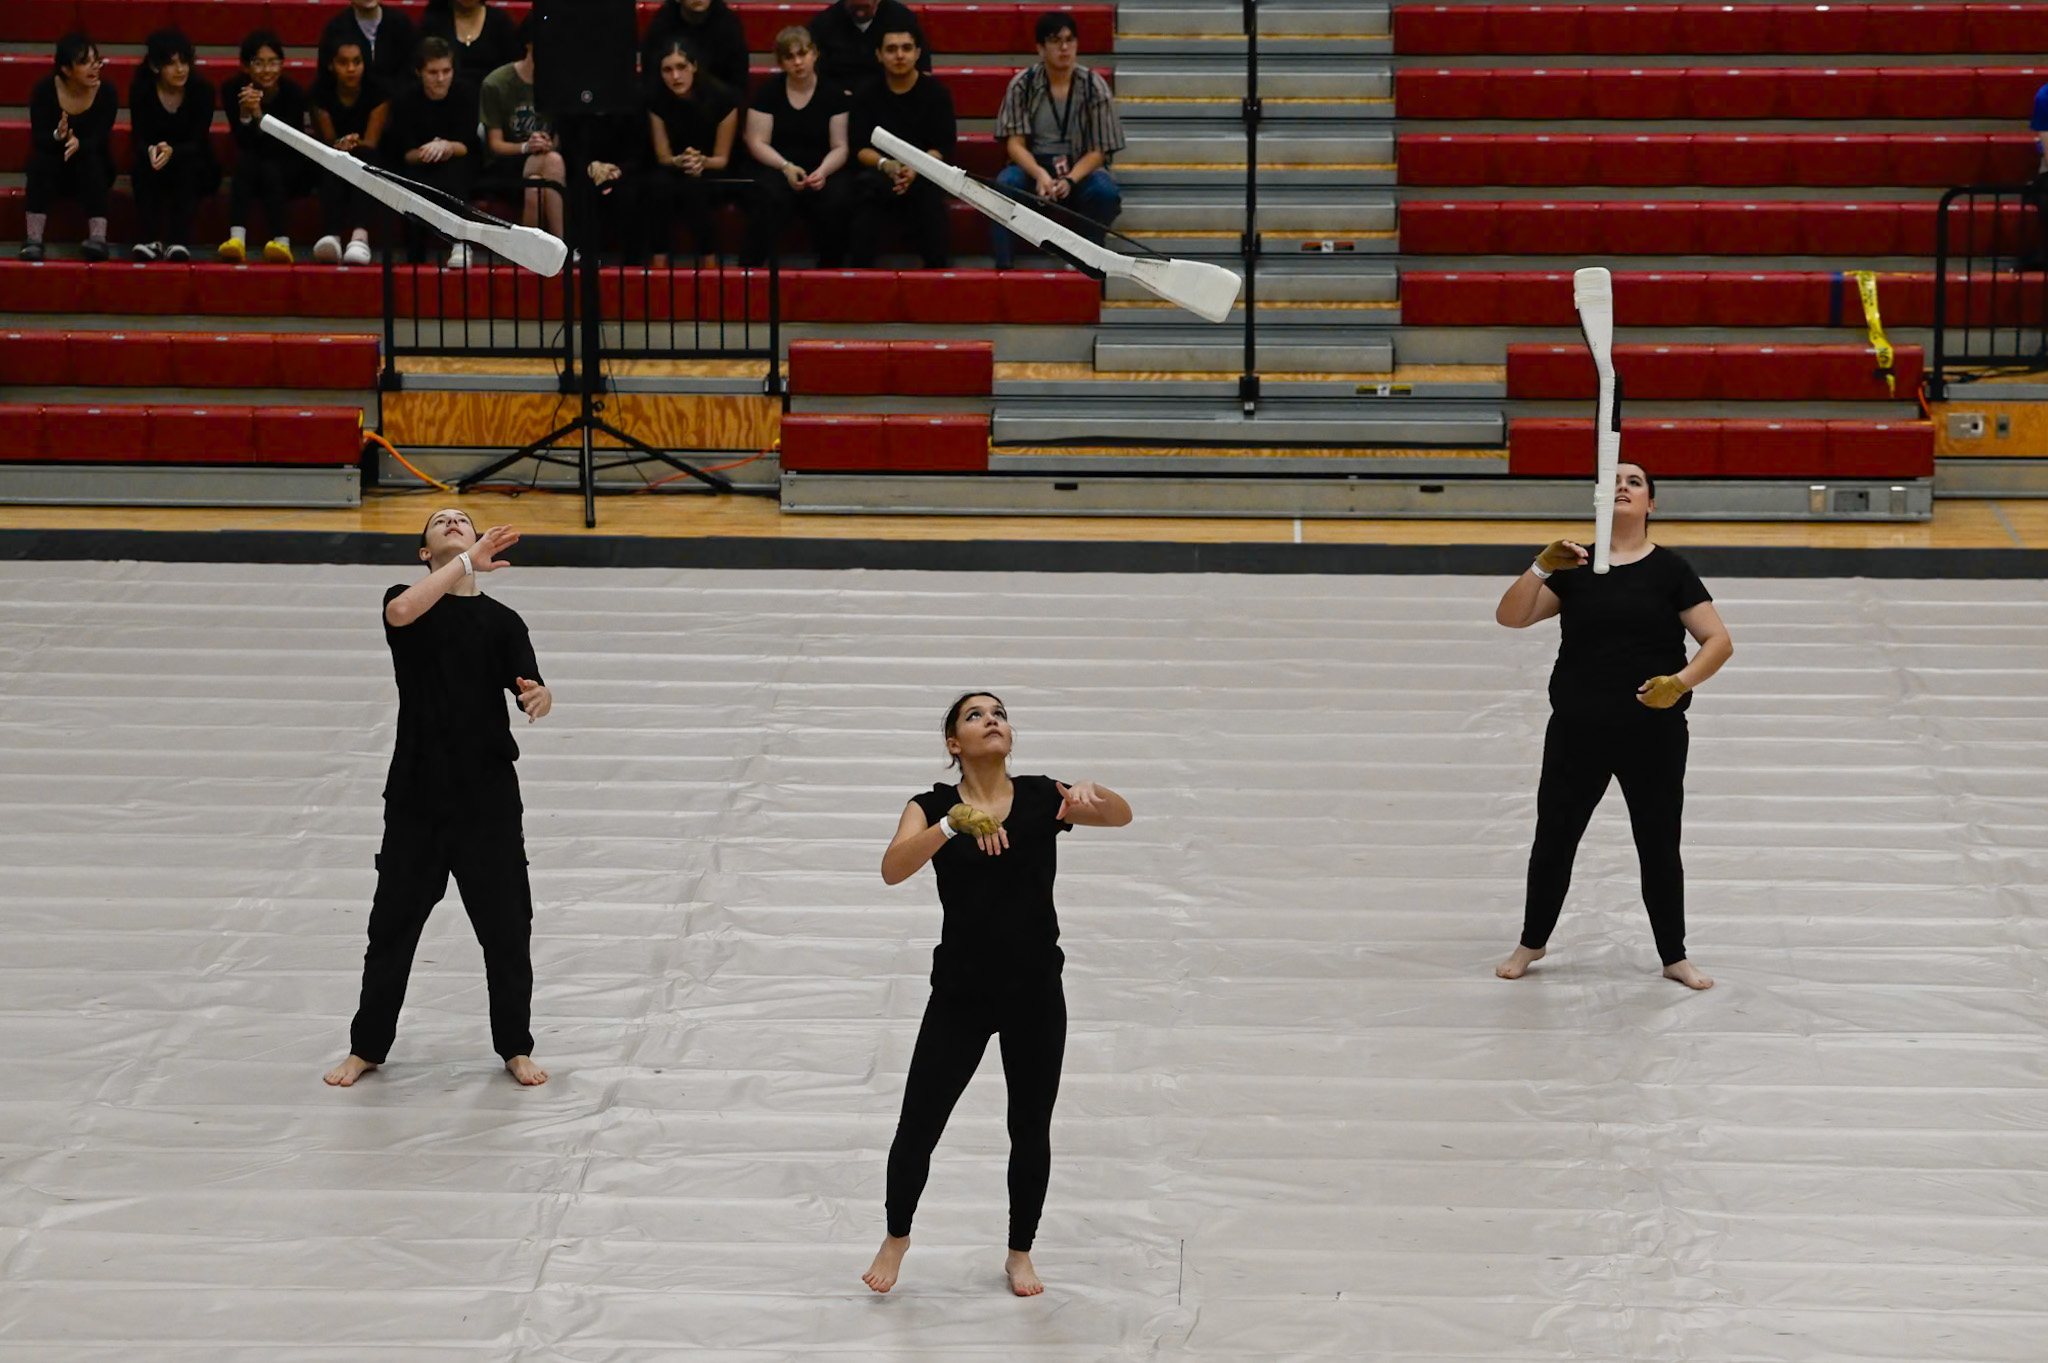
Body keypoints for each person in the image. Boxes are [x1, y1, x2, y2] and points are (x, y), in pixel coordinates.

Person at [863, 692, 1132, 1299]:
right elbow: (893, 868)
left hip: (1035, 991)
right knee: (918, 1125)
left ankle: (1019, 1252)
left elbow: (1119, 817)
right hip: (961, 992)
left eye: (1000, 713)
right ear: (954, 744)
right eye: (976, 716)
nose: (993, 721)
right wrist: (948, 825)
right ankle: (897, 1236)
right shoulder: (930, 804)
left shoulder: (1041, 795)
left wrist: (1094, 790)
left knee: (1029, 1128)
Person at [324, 509, 553, 1091]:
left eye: (462, 519)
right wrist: (461, 566)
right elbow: (401, 614)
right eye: (440, 521)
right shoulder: (405, 599)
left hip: (488, 801)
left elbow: (529, 680)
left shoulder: (503, 621)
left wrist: (539, 695)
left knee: (507, 928)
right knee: (392, 929)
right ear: (424, 552)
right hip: (417, 799)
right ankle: (366, 1047)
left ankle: (514, 1046)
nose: (452, 521)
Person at [1492, 462, 1733, 991]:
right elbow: (1510, 618)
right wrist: (1538, 567)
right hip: (1577, 731)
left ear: (1651, 504)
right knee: (1553, 839)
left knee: (1658, 842)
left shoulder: (1672, 571)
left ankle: (1674, 954)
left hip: (1652, 734)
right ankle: (1532, 941)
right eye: (1613, 482)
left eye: (1635, 482)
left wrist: (1681, 682)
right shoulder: (1574, 567)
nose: (1622, 487)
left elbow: (1718, 642)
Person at [990, 11, 1123, 270]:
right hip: (1034, 167)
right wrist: (1040, 174)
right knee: (1004, 185)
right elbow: (1014, 145)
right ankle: (1004, 268)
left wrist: (1071, 180)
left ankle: (1088, 261)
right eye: (1055, 40)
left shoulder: (1094, 85)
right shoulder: (1023, 84)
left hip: (1079, 169)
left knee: (1105, 191)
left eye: (1070, 40)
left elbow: (1099, 151)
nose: (1064, 47)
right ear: (1040, 48)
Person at [847, 22, 955, 268]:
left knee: (931, 206)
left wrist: (914, 169)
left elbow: (943, 146)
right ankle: (860, 280)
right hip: (878, 173)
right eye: (891, 49)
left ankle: (938, 280)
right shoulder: (865, 93)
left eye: (906, 48)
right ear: (879, 55)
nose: (899, 55)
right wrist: (887, 166)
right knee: (862, 204)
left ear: (917, 53)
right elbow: (859, 147)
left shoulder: (937, 93)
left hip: (924, 174)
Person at [741, 26, 851, 267]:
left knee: (837, 199)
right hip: (778, 165)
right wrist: (785, 166)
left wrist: (823, 172)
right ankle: (751, 269)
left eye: (803, 54)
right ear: (781, 62)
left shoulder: (833, 94)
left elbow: (840, 146)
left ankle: (831, 270)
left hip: (822, 167)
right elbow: (756, 141)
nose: (798, 62)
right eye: (790, 57)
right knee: (768, 195)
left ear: (815, 54)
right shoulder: (767, 92)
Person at [378, 36, 481, 266]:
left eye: (446, 71)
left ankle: (460, 244)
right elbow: (404, 152)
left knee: (454, 174)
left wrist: (446, 146)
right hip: (417, 162)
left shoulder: (466, 93)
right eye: (433, 73)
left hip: (458, 160)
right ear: (419, 72)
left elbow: (467, 144)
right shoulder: (405, 99)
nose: (441, 79)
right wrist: (429, 151)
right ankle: (415, 258)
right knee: (413, 184)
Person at [20, 33, 118, 262]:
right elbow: (39, 137)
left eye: (96, 61)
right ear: (65, 69)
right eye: (84, 62)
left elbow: (101, 137)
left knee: (91, 160)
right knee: (40, 162)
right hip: (55, 166)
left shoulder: (107, 92)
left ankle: (98, 239)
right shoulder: (44, 90)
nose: (94, 68)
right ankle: (33, 239)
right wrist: (58, 135)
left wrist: (80, 143)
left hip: (92, 166)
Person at [127, 28, 219, 264]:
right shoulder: (141, 91)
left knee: (188, 168)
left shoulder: (203, 91)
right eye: (172, 64)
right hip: (156, 159)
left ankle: (179, 241)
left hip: (194, 159)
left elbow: (198, 140)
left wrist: (173, 151)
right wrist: (152, 150)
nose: (181, 70)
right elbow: (139, 137)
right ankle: (149, 240)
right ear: (156, 67)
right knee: (143, 168)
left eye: (185, 62)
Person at [645, 39, 739, 267]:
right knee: (659, 186)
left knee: (694, 187)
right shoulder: (655, 101)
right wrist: (681, 161)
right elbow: (663, 157)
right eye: (667, 70)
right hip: (674, 167)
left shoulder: (723, 98)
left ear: (694, 67)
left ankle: (710, 260)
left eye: (681, 67)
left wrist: (700, 161)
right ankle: (658, 260)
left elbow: (722, 158)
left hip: (714, 169)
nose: (675, 76)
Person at [220, 30, 312, 263]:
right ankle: (236, 238)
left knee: (270, 169)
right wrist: (243, 116)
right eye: (258, 63)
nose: (267, 69)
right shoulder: (233, 90)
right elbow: (242, 142)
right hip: (252, 165)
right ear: (245, 67)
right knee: (246, 163)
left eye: (273, 62)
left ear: (282, 65)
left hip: (289, 166)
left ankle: (282, 241)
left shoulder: (293, 93)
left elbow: (286, 145)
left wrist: (259, 115)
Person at [478, 19, 564, 242]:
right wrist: (527, 146)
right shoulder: (496, 83)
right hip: (506, 162)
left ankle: (531, 256)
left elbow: (559, 139)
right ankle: (561, 247)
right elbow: (495, 145)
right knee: (550, 165)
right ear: (529, 45)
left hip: (545, 161)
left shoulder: (559, 83)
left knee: (541, 177)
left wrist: (546, 144)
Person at [308, 34, 388, 263]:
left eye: (357, 62)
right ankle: (331, 236)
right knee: (333, 160)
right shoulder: (319, 93)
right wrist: (340, 146)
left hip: (371, 157)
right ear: (332, 65)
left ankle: (359, 237)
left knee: (366, 160)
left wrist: (353, 144)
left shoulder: (378, 92)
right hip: (333, 156)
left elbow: (372, 141)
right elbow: (327, 140)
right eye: (343, 63)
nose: (351, 68)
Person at [809, 0, 930, 93]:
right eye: (854, 7)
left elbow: (923, 69)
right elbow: (815, 73)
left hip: (891, 100)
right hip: (840, 101)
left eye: (865, 7)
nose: (860, 12)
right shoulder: (823, 24)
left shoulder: (902, 19)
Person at [641, 0, 750, 100]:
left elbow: (737, 83)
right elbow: (651, 80)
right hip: (670, 105)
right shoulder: (662, 25)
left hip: (716, 107)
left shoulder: (728, 25)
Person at [419, 0, 520, 92]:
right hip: (444, 98)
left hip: (491, 98)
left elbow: (512, 71)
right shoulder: (435, 19)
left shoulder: (500, 21)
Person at [322, 0, 417, 87]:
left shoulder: (401, 24)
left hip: (397, 101)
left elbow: (410, 75)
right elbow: (326, 79)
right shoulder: (335, 29)